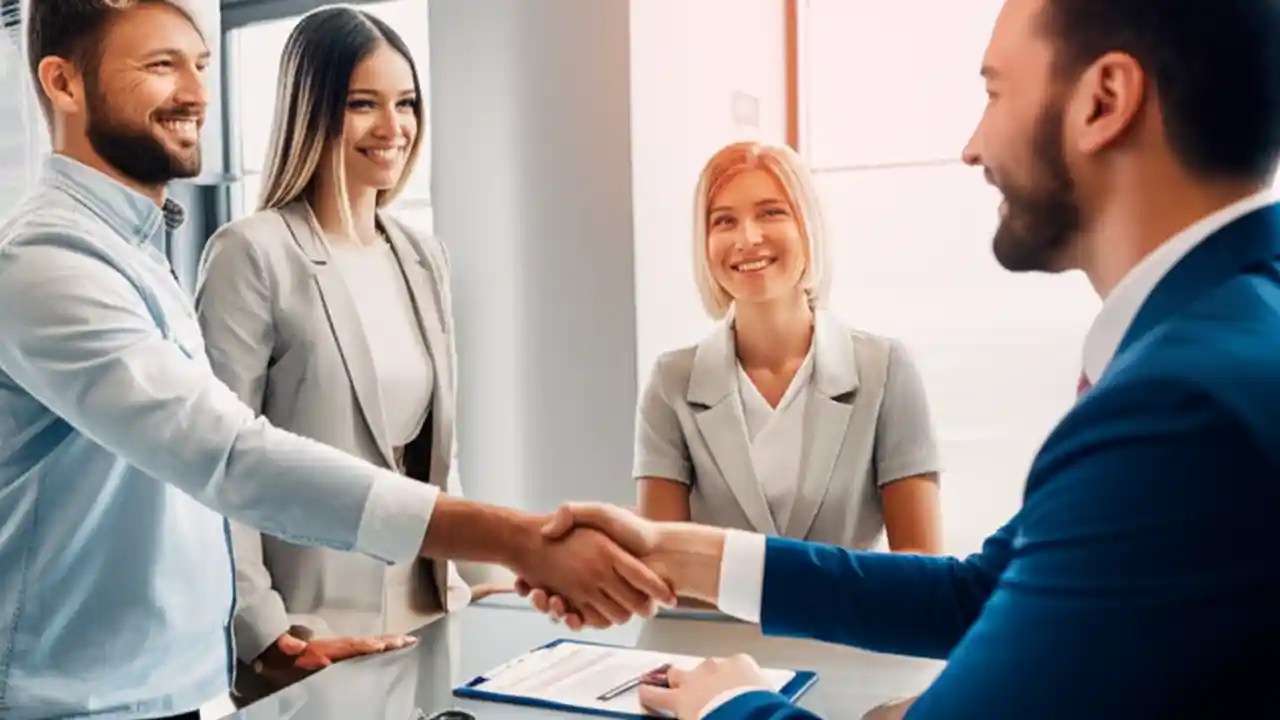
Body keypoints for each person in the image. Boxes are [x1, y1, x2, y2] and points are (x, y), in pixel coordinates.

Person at [521, 0, 1280, 717]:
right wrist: (675, 552)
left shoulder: (1182, 408)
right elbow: (977, 594)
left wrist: (730, 704)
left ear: (1104, 99)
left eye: (995, 90)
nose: (972, 145)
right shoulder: (1227, 334)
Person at [0, 3, 672, 718]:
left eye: (201, 65)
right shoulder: (51, 263)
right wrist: (517, 539)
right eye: (162, 66)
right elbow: (229, 457)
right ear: (63, 84)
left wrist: (480, 585)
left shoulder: (141, 252)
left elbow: (418, 457)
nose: (197, 93)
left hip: (175, 685)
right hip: (78, 699)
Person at [194, 6, 481, 698]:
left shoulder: (421, 255)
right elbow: (215, 466)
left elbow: (435, 455)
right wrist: (263, 629)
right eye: (362, 105)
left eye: (406, 103)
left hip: (431, 614)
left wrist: (477, 572)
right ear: (312, 109)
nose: (393, 128)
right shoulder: (251, 253)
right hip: (314, 632)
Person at [635, 140, 941, 553]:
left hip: (840, 621)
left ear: (807, 225)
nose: (748, 237)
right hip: (701, 623)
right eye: (724, 221)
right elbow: (660, 566)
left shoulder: (884, 371)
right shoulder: (672, 382)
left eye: (771, 213)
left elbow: (921, 572)